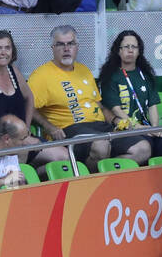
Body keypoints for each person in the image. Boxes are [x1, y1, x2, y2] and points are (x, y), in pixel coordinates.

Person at [0, 30, 68, 165]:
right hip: (0, 141)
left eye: (7, 48)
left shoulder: (12, 70)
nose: (3, 52)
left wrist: (25, 131)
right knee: (52, 157)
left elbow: (29, 98)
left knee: (65, 157)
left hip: (22, 138)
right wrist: (20, 138)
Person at [27, 25, 113, 166]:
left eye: (71, 43)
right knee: (101, 146)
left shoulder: (84, 69)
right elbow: (29, 108)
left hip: (100, 126)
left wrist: (115, 121)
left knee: (141, 148)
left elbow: (99, 104)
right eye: (60, 44)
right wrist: (49, 127)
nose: (66, 49)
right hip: (70, 128)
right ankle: (90, 183)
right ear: (52, 48)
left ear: (77, 46)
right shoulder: (41, 76)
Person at [97, 30, 162, 165]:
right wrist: (138, 127)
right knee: (148, 145)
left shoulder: (145, 75)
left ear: (139, 51)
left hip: (144, 127)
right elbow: (116, 110)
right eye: (126, 47)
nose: (130, 50)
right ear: (118, 51)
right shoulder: (111, 76)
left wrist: (154, 128)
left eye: (134, 47)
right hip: (123, 128)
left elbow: (152, 105)